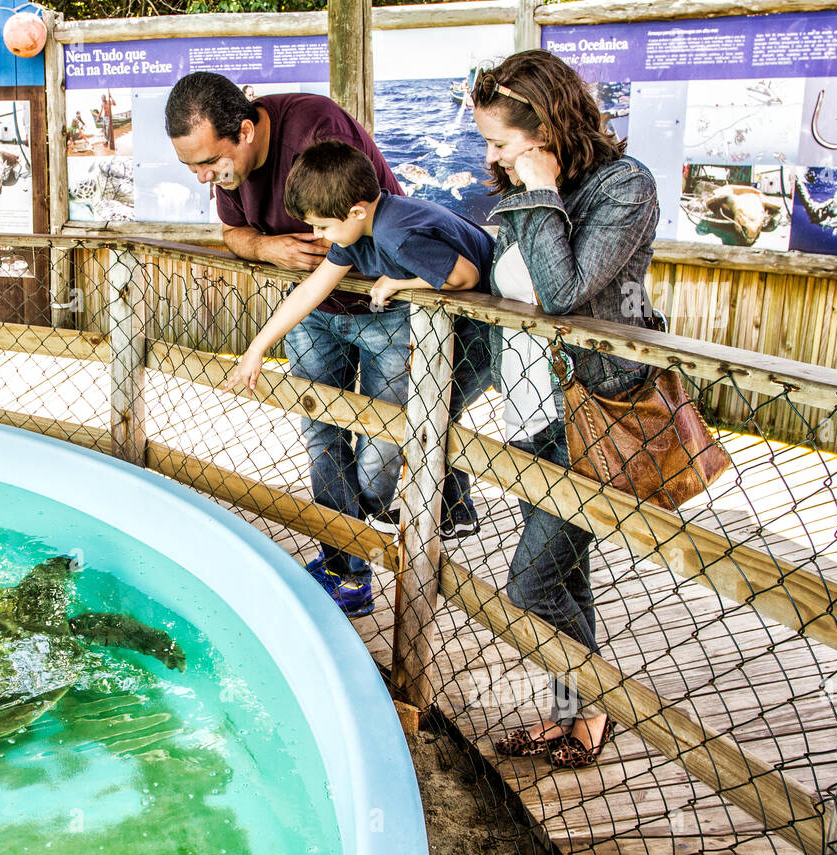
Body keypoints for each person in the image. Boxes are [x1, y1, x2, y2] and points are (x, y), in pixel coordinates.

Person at [165, 72, 487, 617]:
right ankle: (348, 568)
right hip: (319, 312)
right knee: (322, 437)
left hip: (390, 317)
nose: (203, 178)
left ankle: (404, 507)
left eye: (210, 163)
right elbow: (250, 243)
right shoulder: (310, 225)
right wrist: (262, 299)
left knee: (382, 451)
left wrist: (404, 281)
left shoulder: (317, 130)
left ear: (244, 131)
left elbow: (459, 271)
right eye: (189, 167)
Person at [470, 50, 661, 768]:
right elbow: (505, 294)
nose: (492, 157)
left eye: (500, 141)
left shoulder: (623, 187)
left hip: (592, 414)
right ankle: (572, 716)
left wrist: (543, 190)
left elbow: (561, 291)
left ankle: (595, 712)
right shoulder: (523, 188)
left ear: (546, 128)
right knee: (566, 576)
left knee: (530, 585)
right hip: (527, 414)